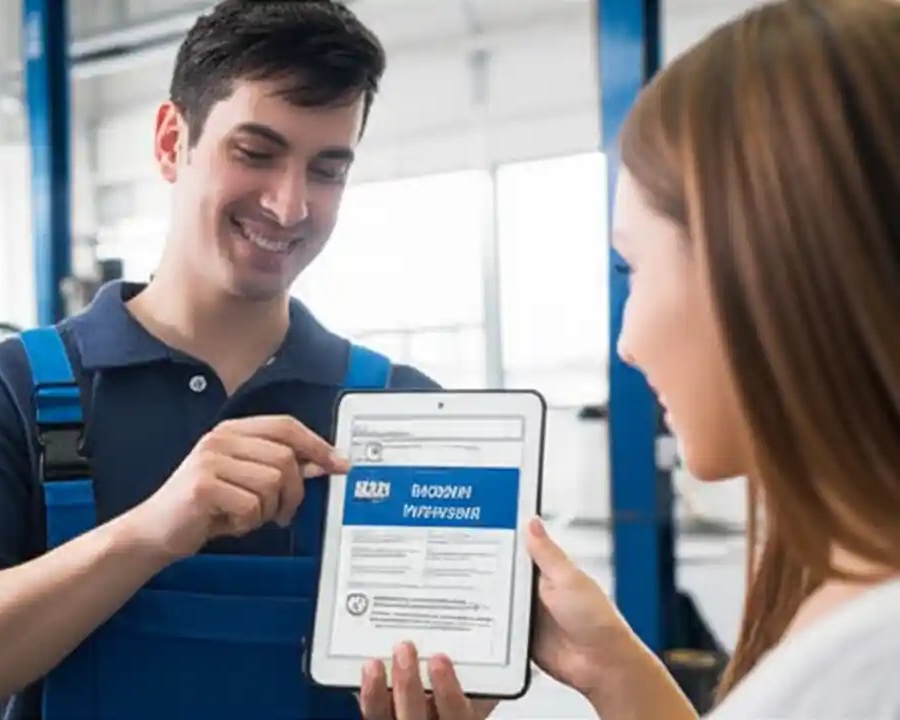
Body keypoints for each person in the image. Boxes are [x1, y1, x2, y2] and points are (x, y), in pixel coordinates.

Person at [0, 2, 440, 719]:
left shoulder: (400, 411)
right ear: (174, 141)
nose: (291, 205)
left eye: (327, 170)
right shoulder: (16, 390)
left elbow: (445, 680)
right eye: (256, 152)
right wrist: (151, 532)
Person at [360, 0, 900, 718]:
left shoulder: (866, 662)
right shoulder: (853, 604)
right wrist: (613, 667)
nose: (629, 342)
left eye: (633, 269)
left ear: (771, 265)